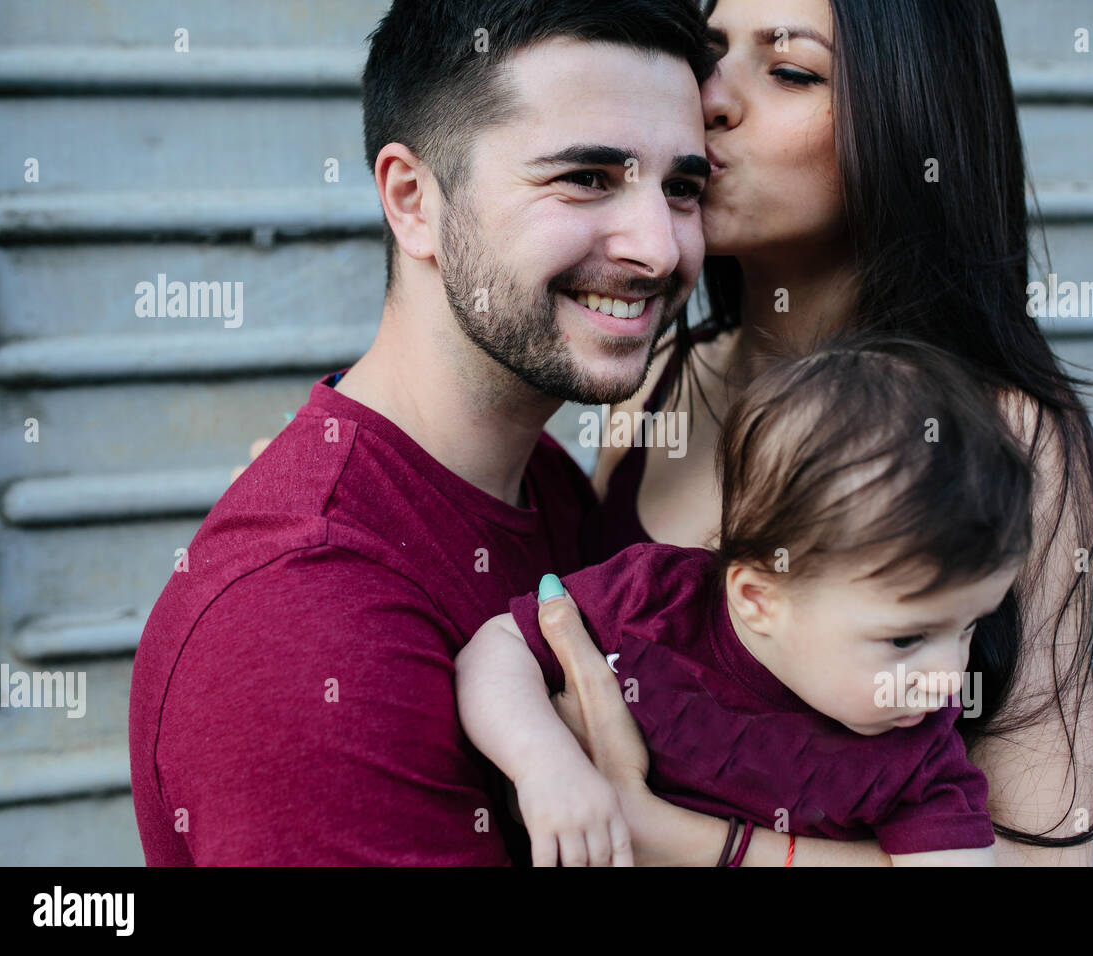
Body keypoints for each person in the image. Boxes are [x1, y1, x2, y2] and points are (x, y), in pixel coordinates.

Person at [536, 0, 1093, 866]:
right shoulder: (656, 382)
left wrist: (663, 835)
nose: (712, 96)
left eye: (790, 70)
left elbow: (1036, 865)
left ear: (910, 117)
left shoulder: (1005, 431)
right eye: (711, 51)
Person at [128, 0, 716, 865]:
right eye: (586, 178)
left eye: (682, 188)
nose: (660, 250)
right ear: (413, 201)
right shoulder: (300, 622)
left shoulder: (543, 482)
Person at [457, 339, 1034, 867]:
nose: (948, 680)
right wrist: (544, 766)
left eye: (968, 629)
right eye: (907, 639)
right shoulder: (654, 601)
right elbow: (495, 649)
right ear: (759, 598)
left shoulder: (916, 752)